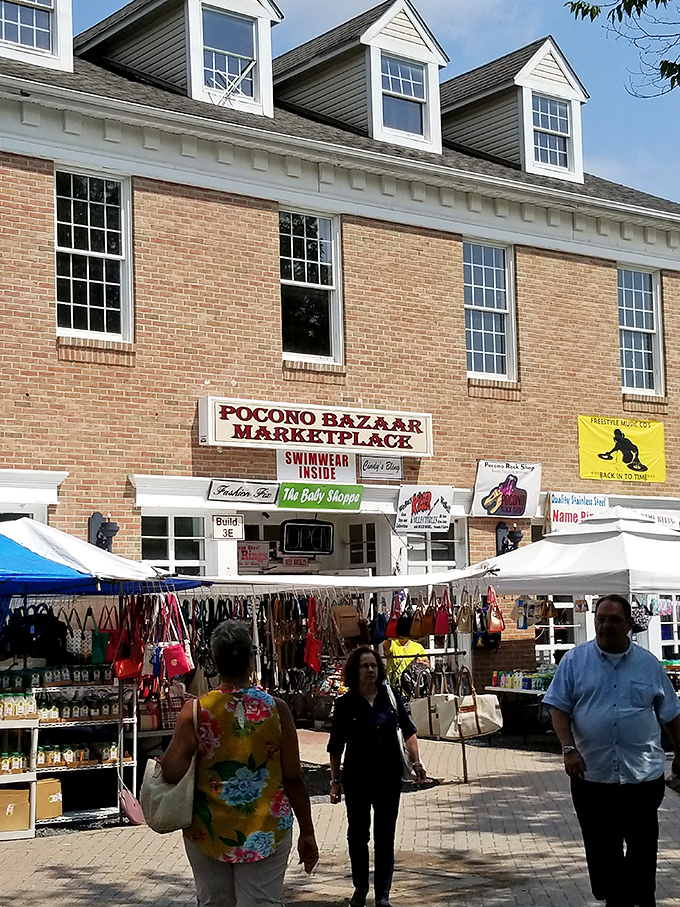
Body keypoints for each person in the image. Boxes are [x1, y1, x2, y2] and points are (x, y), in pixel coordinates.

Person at [161, 620, 319, 907]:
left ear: (214, 661)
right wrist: (308, 832)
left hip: (207, 829)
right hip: (266, 828)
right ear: (250, 659)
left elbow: (172, 773)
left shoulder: (195, 711)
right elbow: (294, 777)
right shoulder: (277, 710)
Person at [544, 594, 680, 907]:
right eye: (600, 619)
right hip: (592, 776)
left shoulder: (648, 665)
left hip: (641, 778)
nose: (605, 626)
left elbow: (672, 713)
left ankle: (639, 898)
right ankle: (614, 895)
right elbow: (558, 709)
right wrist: (568, 749)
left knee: (643, 851)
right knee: (603, 852)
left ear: (630, 624)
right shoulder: (575, 661)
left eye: (613, 619)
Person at [328, 645, 427, 907]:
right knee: (358, 835)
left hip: (388, 777)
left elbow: (409, 730)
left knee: (385, 836)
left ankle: (383, 894)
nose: (370, 670)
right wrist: (334, 782)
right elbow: (335, 746)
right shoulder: (345, 704)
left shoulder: (390, 695)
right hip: (357, 778)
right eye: (364, 666)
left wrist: (417, 763)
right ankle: (360, 887)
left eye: (373, 665)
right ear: (354, 671)